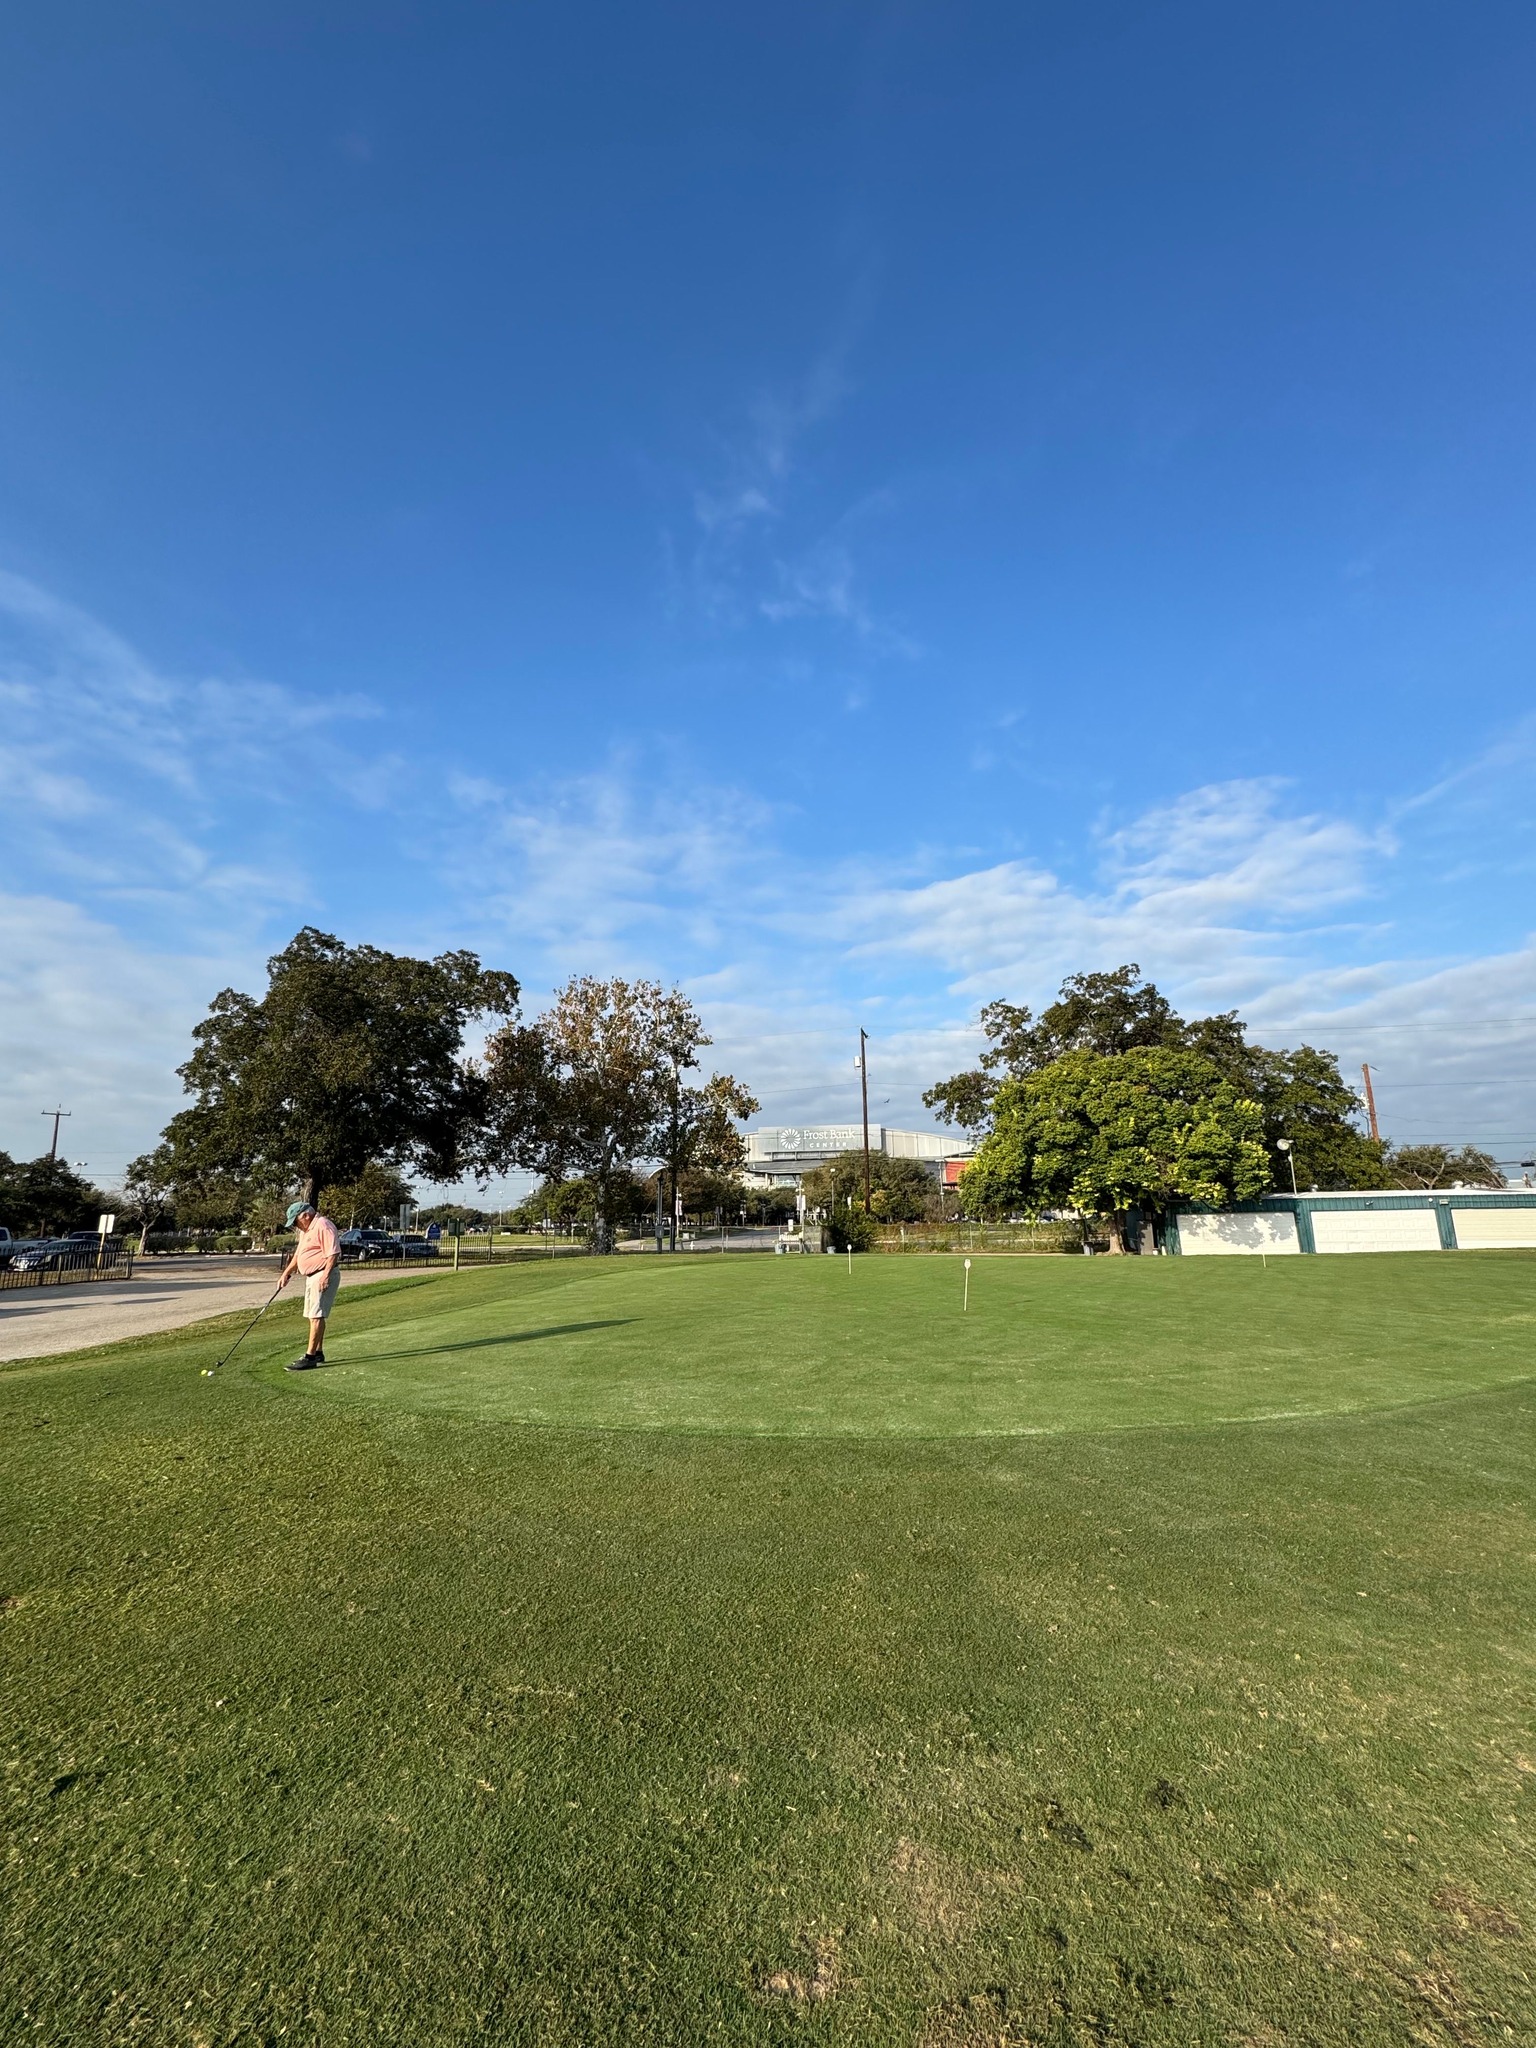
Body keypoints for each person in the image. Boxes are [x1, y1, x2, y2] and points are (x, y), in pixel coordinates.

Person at [278, 1199, 340, 1370]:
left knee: (316, 1315)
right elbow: (298, 1255)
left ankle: (310, 1356)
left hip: (322, 1274)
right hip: (312, 1276)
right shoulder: (307, 1230)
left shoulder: (322, 1225)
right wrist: (286, 1273)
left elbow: (333, 1253)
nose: (296, 1226)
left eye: (296, 1221)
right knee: (314, 1315)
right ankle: (318, 1352)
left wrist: (325, 1276)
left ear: (305, 1215)